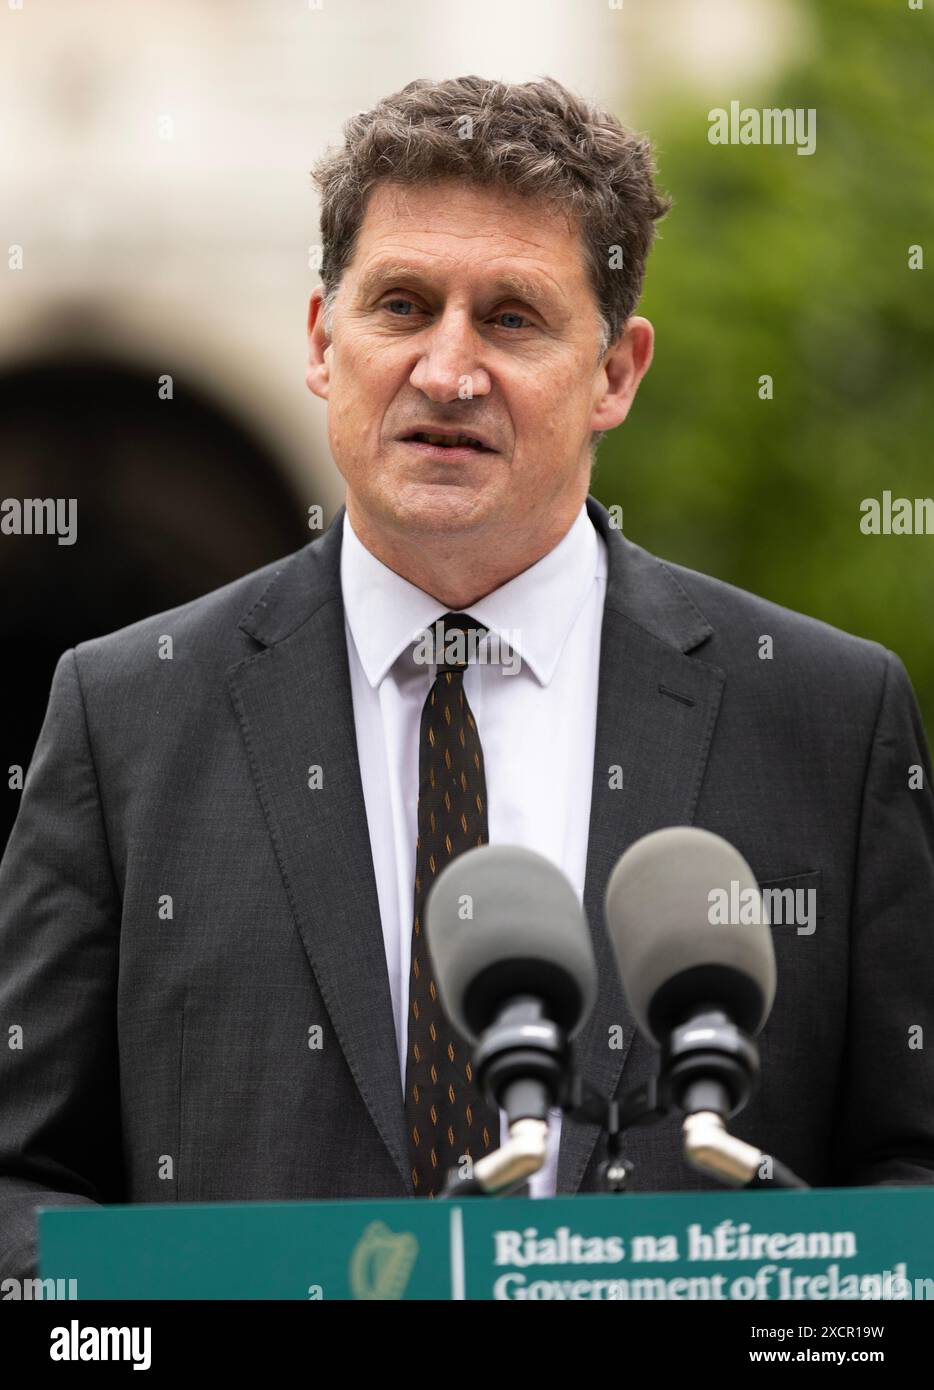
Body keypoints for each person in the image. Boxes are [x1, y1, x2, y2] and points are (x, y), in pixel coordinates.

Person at [2, 75, 933, 1281]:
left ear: (616, 371)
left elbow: (910, 1163)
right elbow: (19, 1173)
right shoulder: (126, 714)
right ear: (321, 341)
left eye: (511, 318)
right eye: (401, 305)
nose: (447, 370)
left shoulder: (824, 713)